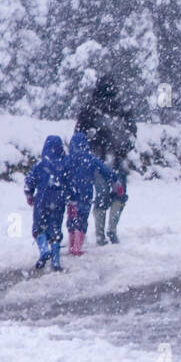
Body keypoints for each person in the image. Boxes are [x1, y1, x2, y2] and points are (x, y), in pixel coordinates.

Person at [74, 76, 137, 245]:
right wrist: (124, 147)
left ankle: (101, 233)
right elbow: (132, 134)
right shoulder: (122, 108)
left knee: (101, 196)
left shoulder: (89, 109)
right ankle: (112, 230)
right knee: (120, 194)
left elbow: (79, 136)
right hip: (118, 159)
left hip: (97, 159)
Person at [65, 132, 123, 256]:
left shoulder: (67, 159)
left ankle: (71, 246)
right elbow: (105, 170)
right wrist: (115, 181)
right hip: (85, 195)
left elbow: (58, 173)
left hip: (71, 196)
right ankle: (77, 247)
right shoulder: (90, 158)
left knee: (71, 219)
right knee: (81, 220)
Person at [24, 135, 69, 272]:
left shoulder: (41, 164)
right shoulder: (64, 165)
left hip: (42, 199)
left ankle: (44, 250)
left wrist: (29, 194)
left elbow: (29, 181)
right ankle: (55, 260)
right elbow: (71, 183)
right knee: (55, 229)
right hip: (59, 200)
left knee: (39, 227)